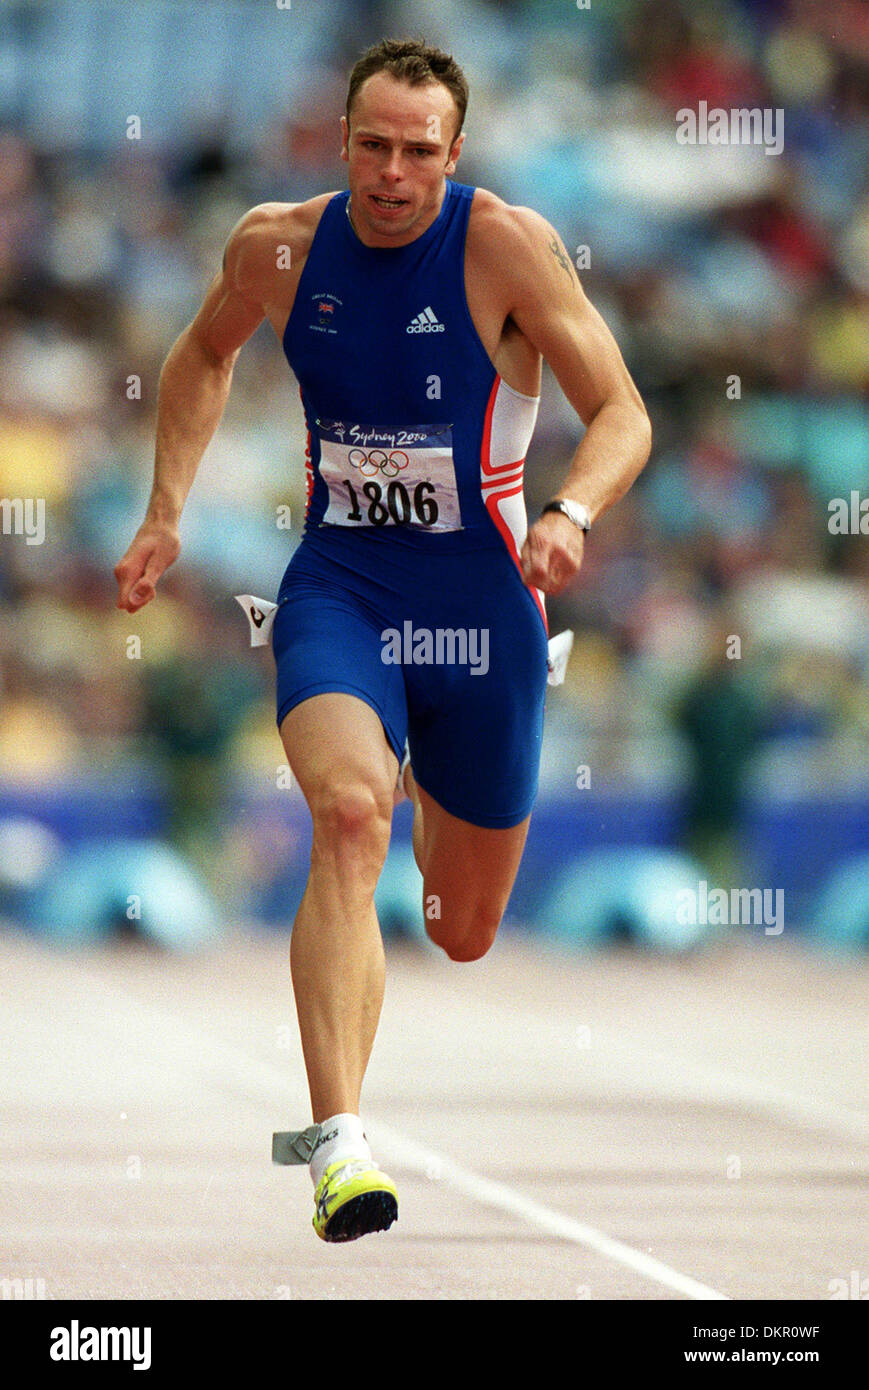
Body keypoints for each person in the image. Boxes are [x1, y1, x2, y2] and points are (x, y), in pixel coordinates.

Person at [115, 38, 652, 1243]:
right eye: (372, 144)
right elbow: (203, 352)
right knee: (348, 814)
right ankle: (339, 1147)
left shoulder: (507, 244)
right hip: (342, 585)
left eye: (419, 151)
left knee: (462, 931)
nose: (393, 171)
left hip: (483, 602)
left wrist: (570, 513)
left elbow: (621, 410)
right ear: (338, 137)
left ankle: (423, 773)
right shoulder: (276, 244)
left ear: (452, 155)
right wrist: (164, 514)